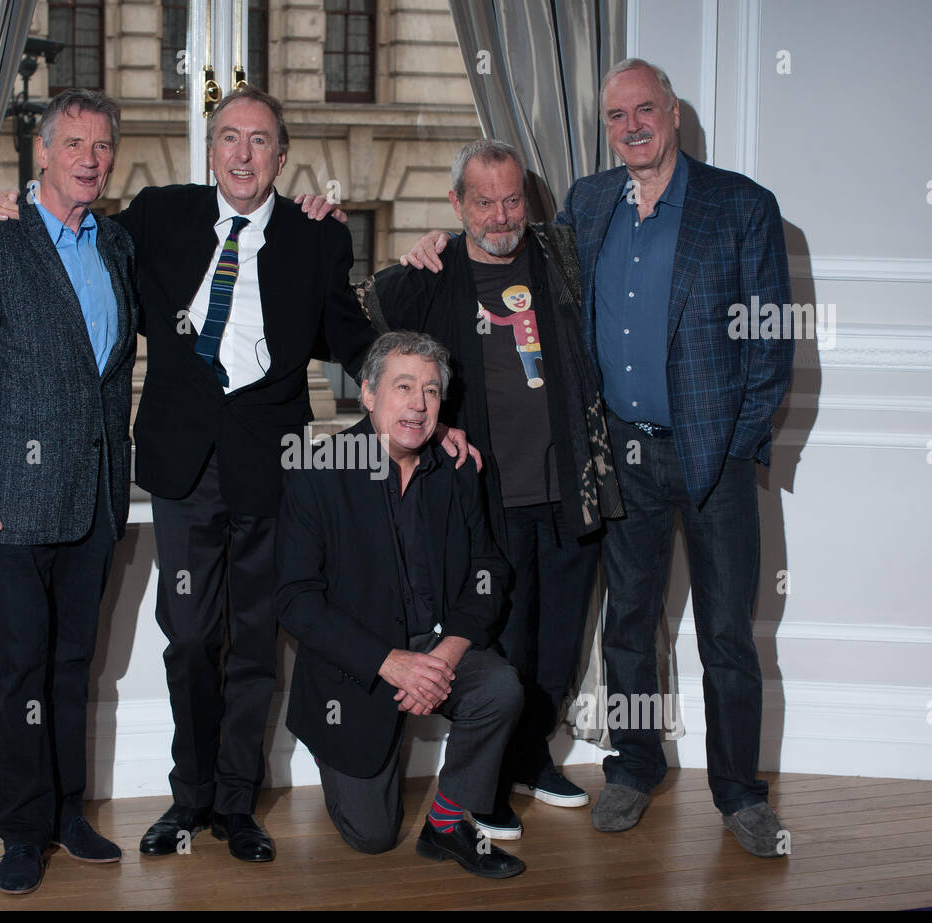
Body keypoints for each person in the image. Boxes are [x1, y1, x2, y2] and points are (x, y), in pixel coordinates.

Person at [0, 86, 474, 863]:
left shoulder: (316, 240)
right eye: (229, 139)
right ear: (210, 151)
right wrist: (9, 206)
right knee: (188, 641)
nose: (243, 155)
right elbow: (74, 236)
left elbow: (353, 340)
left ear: (282, 157)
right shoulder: (157, 216)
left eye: (259, 142)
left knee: (252, 644)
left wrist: (426, 407)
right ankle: (189, 800)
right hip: (181, 469)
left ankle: (237, 806)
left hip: (271, 472)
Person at [403, 59, 795, 857]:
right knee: (627, 626)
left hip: (711, 459)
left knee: (725, 633)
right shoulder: (587, 203)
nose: (632, 127)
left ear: (674, 114)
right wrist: (438, 244)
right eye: (616, 117)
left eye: (644, 110)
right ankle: (633, 767)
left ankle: (739, 794)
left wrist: (740, 445)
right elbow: (500, 243)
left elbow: (769, 339)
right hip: (621, 455)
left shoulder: (740, 206)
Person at [351, 139, 622, 841]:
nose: (501, 215)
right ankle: (490, 784)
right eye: (484, 201)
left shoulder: (561, 259)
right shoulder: (428, 279)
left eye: (511, 199)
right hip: (487, 502)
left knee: (559, 646)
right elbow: (363, 340)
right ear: (456, 205)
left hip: (570, 492)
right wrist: (422, 426)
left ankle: (534, 759)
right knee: (506, 646)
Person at [0, 89, 138, 894]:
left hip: (94, 498)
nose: (90, 158)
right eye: (74, 144)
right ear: (43, 154)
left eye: (102, 146)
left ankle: (66, 813)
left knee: (73, 665)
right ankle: (21, 829)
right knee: (21, 668)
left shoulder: (114, 244)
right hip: (9, 503)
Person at [276, 331, 526, 878]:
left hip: (436, 643)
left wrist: (448, 655)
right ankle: (342, 755)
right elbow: (296, 601)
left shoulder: (457, 468)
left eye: (431, 391)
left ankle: (446, 823)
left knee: (500, 688)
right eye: (403, 387)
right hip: (358, 665)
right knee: (373, 838)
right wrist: (391, 664)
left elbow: (488, 570)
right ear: (368, 394)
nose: (418, 403)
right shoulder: (318, 472)